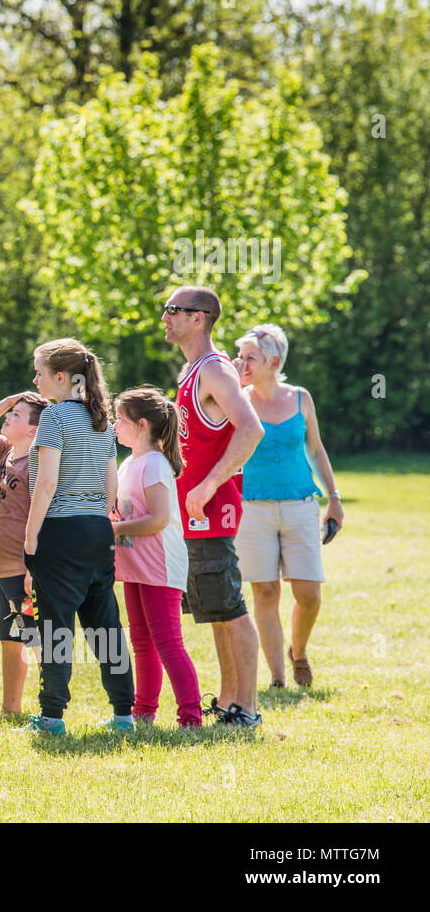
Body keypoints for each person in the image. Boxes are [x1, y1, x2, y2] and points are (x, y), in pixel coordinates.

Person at [162, 286, 265, 727]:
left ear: (198, 317)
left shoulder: (215, 370)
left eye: (172, 310)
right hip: (190, 514)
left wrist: (205, 488)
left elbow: (252, 430)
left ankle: (249, 707)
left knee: (231, 609)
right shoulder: (190, 369)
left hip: (210, 510)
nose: (164, 317)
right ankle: (227, 702)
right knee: (215, 612)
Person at [21, 339, 135, 734]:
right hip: (96, 529)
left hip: (60, 529)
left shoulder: (55, 418)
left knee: (55, 628)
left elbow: (47, 482)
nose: (34, 379)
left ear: (61, 378)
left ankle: (51, 717)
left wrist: (31, 537)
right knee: (104, 624)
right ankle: (124, 714)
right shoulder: (100, 418)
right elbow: (111, 485)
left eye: (39, 372)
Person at [233, 324, 344, 688]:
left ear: (274, 361)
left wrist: (334, 498)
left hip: (300, 505)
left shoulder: (301, 398)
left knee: (308, 593)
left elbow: (315, 449)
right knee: (265, 592)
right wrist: (233, 385)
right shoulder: (237, 399)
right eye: (241, 355)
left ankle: (299, 651)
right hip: (253, 508)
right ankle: (279, 678)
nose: (242, 362)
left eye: (250, 357)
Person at [112, 386, 202, 729]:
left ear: (142, 425)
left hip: (160, 568)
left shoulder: (153, 464)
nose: (115, 425)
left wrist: (116, 532)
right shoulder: (131, 463)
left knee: (167, 642)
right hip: (136, 567)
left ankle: (191, 719)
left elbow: (159, 519)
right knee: (142, 642)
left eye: (121, 419)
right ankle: (143, 713)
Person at [0, 391, 50, 715]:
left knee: (37, 638)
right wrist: (8, 400)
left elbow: (44, 519)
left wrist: (34, 567)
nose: (8, 418)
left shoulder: (36, 466)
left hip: (22, 569)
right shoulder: (6, 452)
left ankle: (51, 705)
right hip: (2, 569)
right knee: (10, 638)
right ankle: (10, 707)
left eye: (17, 415)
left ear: (32, 430)